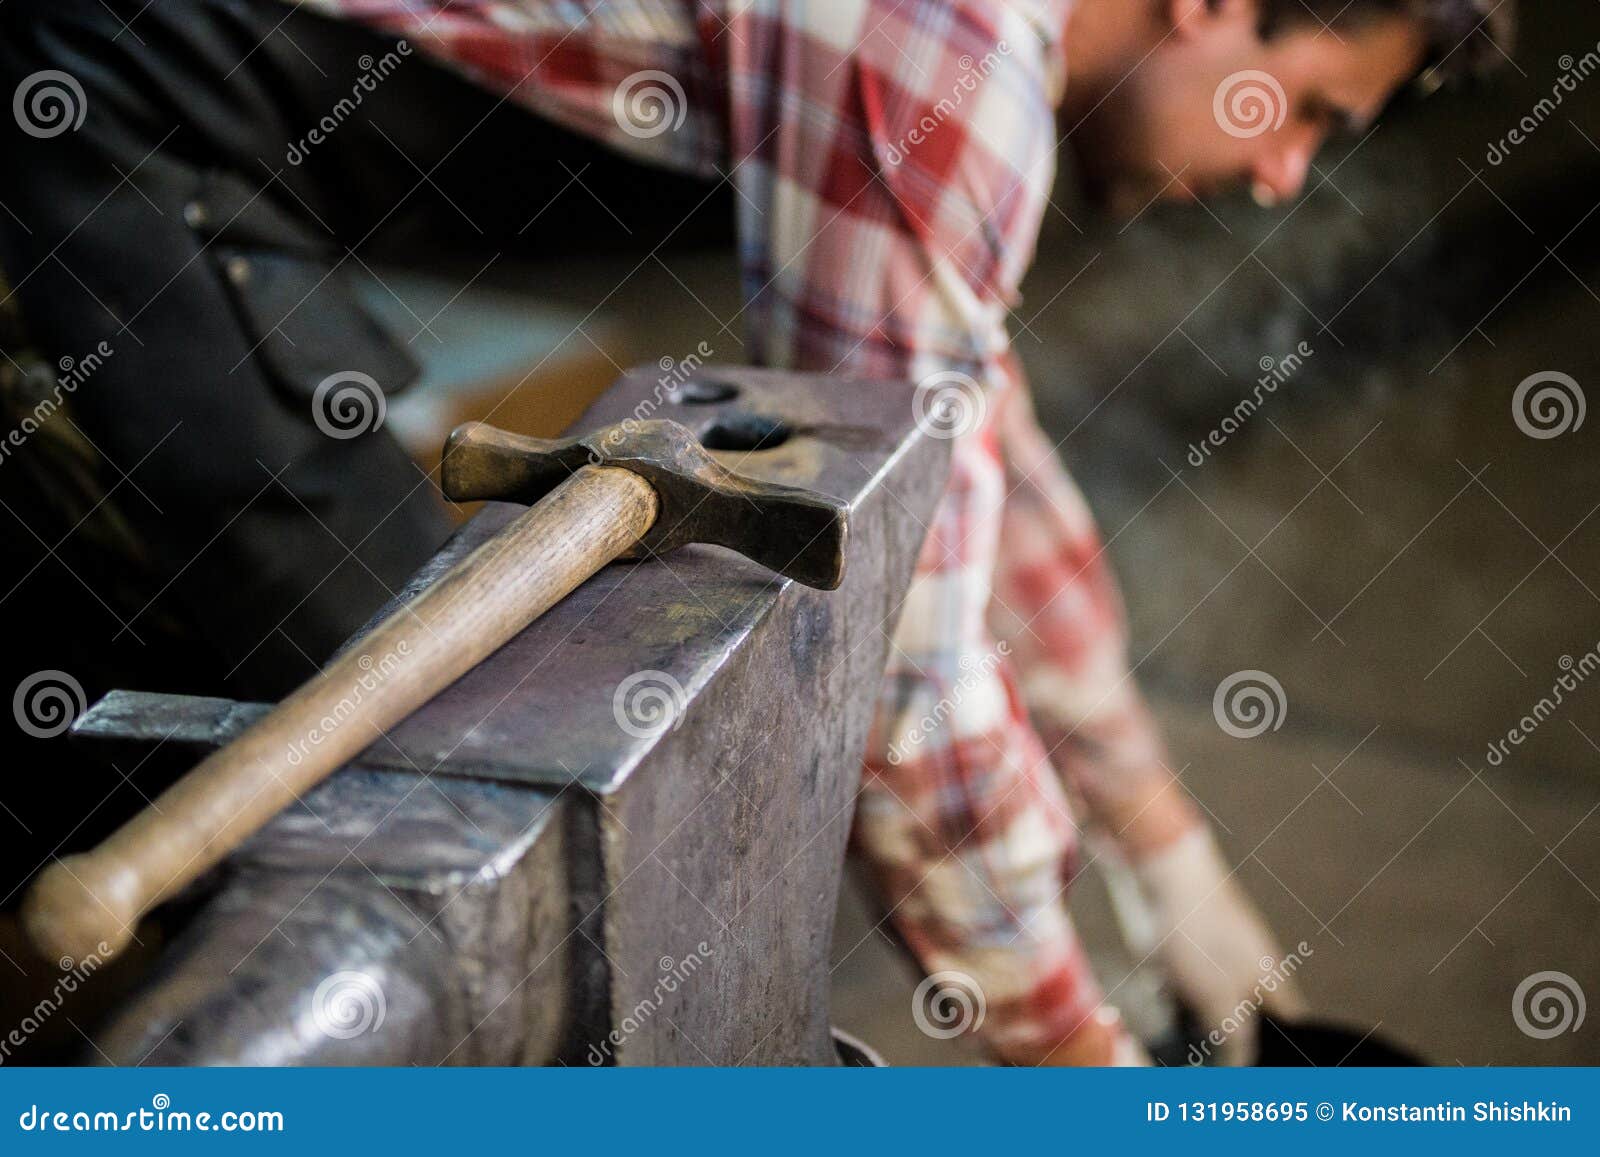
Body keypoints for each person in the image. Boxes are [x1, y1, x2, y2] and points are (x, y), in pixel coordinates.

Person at [0, 0, 1513, 1064]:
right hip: (124, 112)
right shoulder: (949, 49)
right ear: (1213, 5)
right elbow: (900, 655)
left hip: (254, 156)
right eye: (1307, 107)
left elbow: (961, 458)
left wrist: (1170, 854)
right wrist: (1074, 1058)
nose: (1279, 172)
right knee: (461, 795)